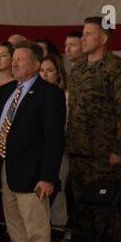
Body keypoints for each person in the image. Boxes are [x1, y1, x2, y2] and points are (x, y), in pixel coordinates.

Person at [0, 43, 65, 242]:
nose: (14, 63)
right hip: (8, 168)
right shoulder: (10, 90)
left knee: (36, 229)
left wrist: (48, 176)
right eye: (14, 59)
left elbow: (54, 139)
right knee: (16, 230)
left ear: (36, 64)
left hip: (34, 172)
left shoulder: (49, 93)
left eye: (21, 60)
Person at [65, 16, 121, 242]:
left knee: (104, 214)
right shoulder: (77, 70)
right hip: (78, 151)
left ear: (103, 38)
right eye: (82, 34)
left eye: (88, 34)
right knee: (82, 211)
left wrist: (120, 149)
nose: (83, 38)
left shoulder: (117, 68)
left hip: (105, 155)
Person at [39, 53, 71, 229]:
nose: (44, 75)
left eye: (49, 70)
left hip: (59, 154)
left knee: (57, 198)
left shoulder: (65, 96)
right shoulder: (34, 96)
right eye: (41, 70)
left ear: (58, 73)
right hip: (37, 155)